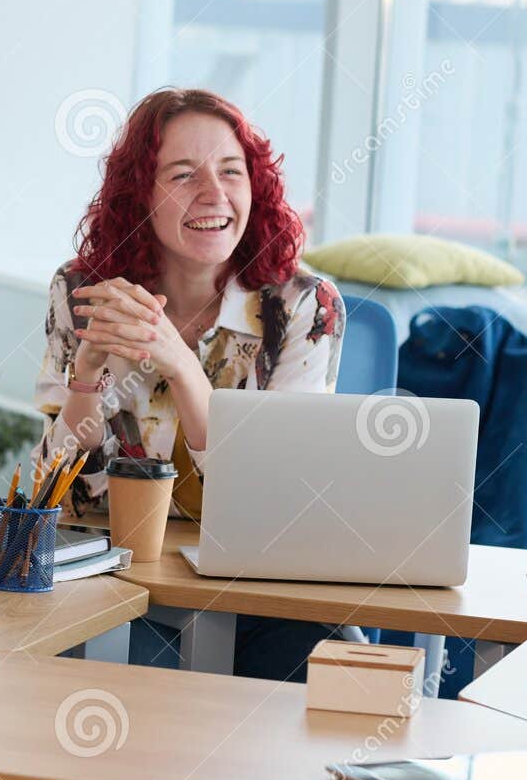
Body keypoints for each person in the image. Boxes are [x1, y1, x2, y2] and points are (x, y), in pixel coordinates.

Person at [32, 87, 346, 679]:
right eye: (182, 175)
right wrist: (86, 377)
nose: (214, 194)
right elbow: (56, 497)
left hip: (261, 593)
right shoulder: (82, 289)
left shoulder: (301, 305)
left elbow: (268, 499)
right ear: (139, 194)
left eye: (232, 171)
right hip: (113, 585)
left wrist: (178, 363)